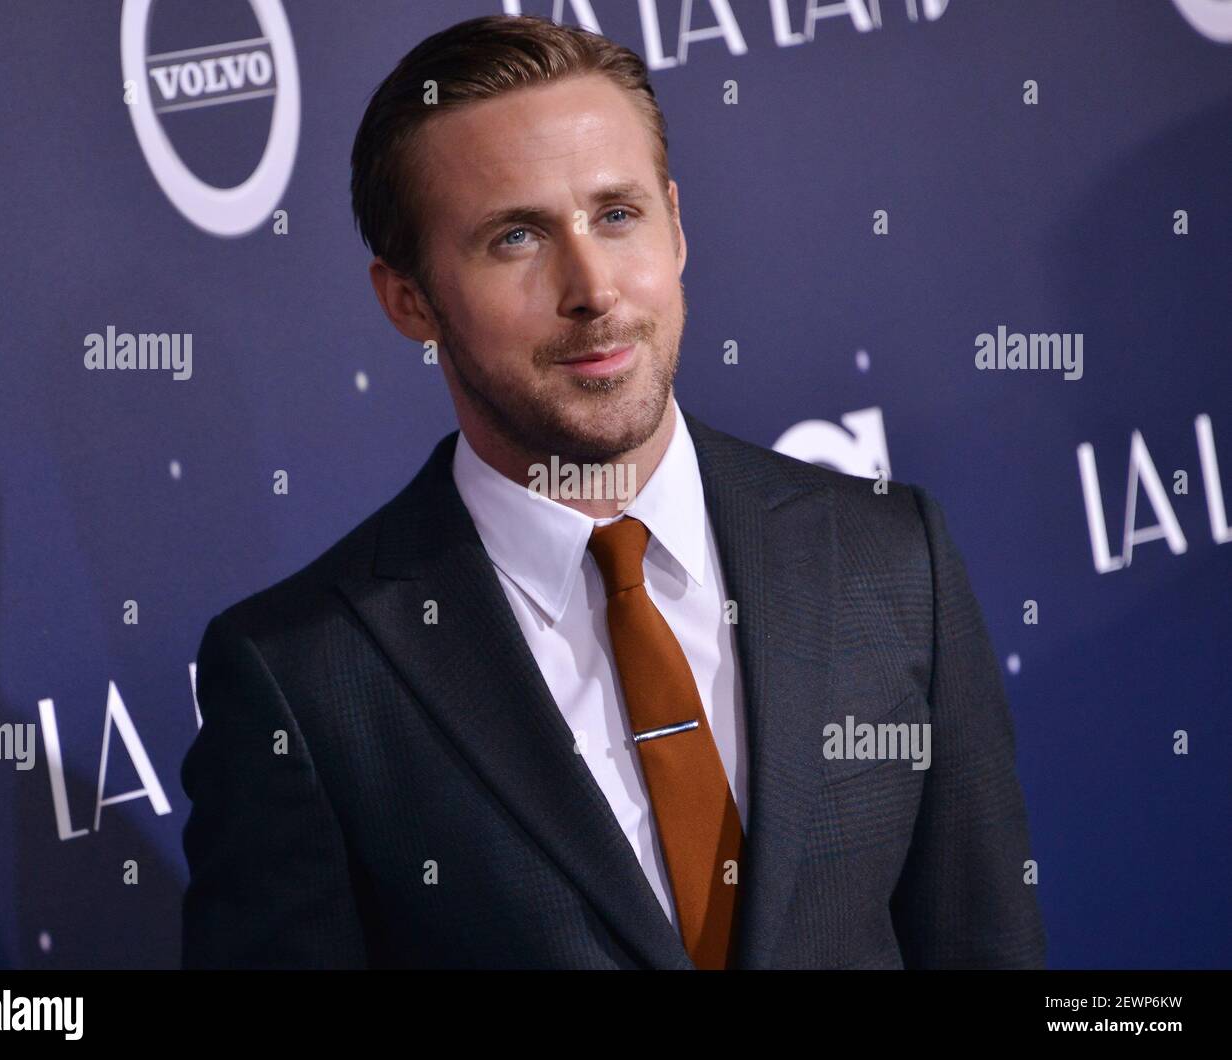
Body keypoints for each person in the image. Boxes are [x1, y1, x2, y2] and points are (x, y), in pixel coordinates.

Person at [180, 14, 1046, 970]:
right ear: (409, 301)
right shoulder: (304, 680)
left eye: (618, 215)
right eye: (516, 237)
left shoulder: (888, 558)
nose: (591, 286)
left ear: (677, 225)